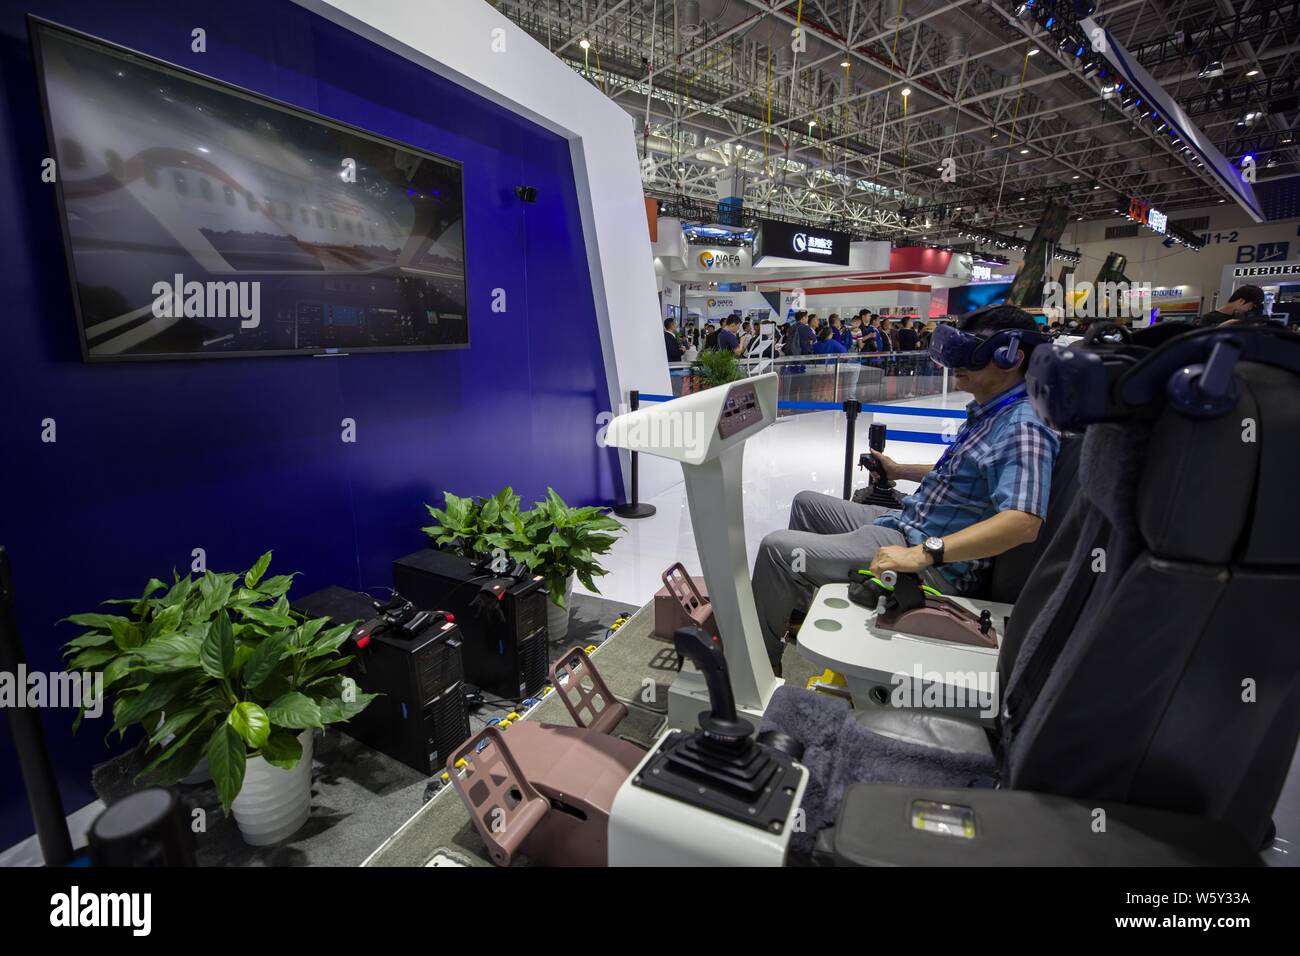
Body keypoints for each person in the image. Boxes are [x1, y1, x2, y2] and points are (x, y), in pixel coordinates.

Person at [751, 304, 1059, 668]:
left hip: (928, 558)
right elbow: (965, 471)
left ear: (1012, 358)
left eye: (974, 350)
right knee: (806, 503)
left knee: (776, 550)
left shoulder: (1023, 426)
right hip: (908, 524)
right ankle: (798, 615)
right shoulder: (992, 411)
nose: (958, 361)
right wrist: (899, 470)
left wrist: (923, 554)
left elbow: (1023, 522)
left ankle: (754, 672)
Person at [1197, 285, 1266, 327]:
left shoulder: (1243, 318)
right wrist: (1220, 327)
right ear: (1241, 301)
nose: (1249, 309)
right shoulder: (1208, 318)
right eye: (1250, 305)